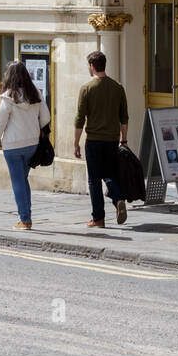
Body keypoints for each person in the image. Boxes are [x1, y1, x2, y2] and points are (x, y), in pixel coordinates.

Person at [73, 50, 129, 228]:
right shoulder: (118, 87)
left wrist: (75, 143)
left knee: (94, 180)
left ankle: (98, 218)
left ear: (91, 66)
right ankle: (118, 198)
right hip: (112, 140)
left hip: (94, 141)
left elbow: (79, 119)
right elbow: (124, 117)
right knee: (109, 174)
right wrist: (124, 139)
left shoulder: (87, 89)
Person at [0, 61, 51, 230]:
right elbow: (46, 117)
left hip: (13, 145)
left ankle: (24, 219)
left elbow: (0, 123)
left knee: (18, 182)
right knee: (23, 180)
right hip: (32, 144)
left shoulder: (8, 97)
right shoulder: (36, 94)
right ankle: (27, 217)